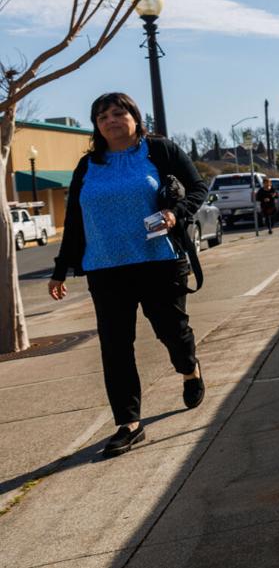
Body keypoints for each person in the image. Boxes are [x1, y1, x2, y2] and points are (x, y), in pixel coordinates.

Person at [49, 92, 207, 458]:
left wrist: (176, 213)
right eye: (102, 116)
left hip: (158, 261)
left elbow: (198, 187)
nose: (110, 120)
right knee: (115, 347)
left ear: (135, 117)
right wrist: (60, 269)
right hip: (105, 268)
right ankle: (129, 423)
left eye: (118, 112)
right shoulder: (88, 166)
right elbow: (74, 220)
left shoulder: (159, 151)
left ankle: (189, 369)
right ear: (96, 125)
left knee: (172, 332)